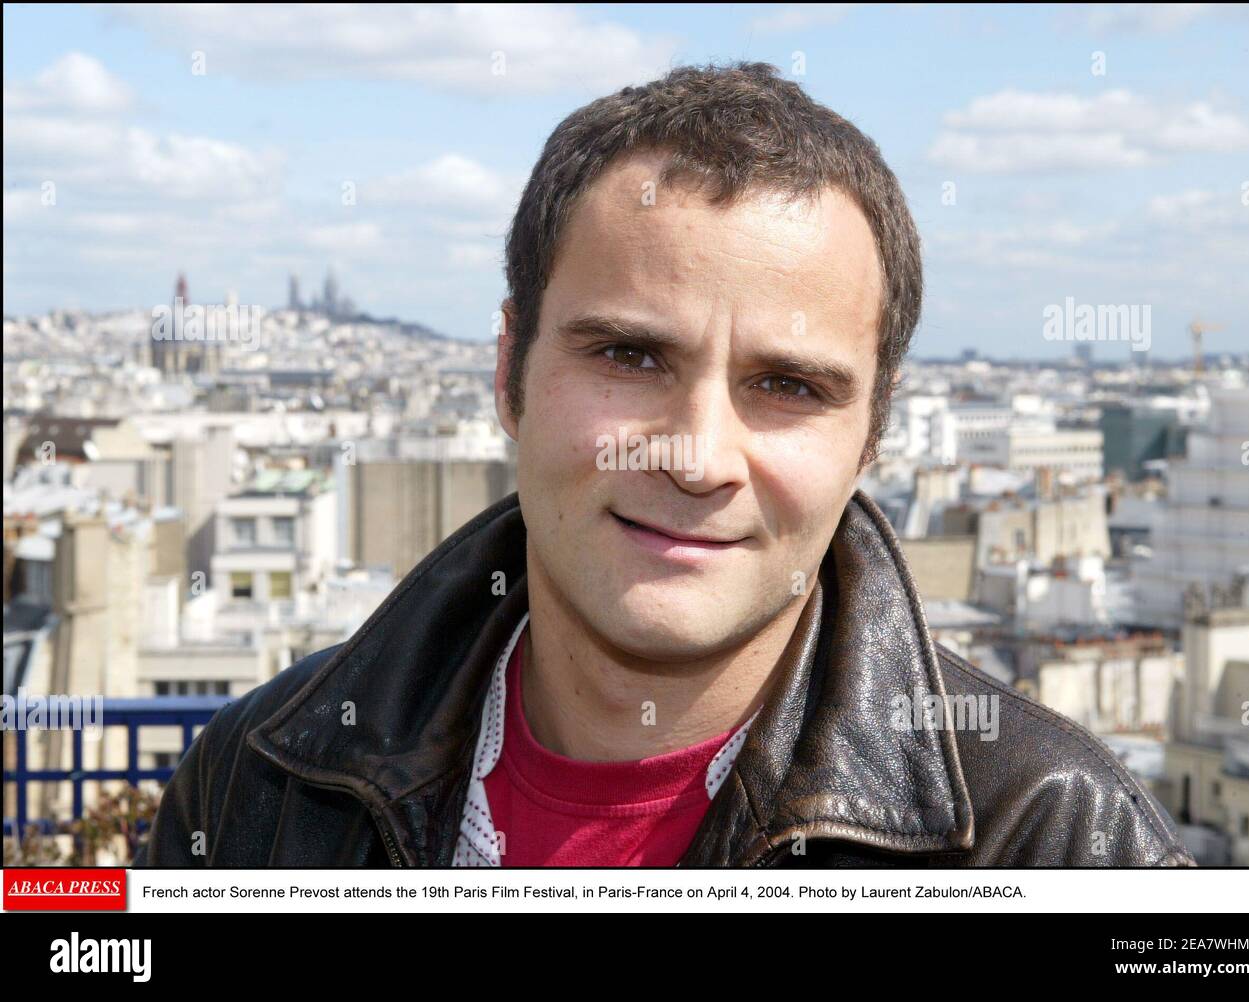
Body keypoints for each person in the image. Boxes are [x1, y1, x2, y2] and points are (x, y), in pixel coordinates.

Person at [137, 62, 1193, 868]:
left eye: (789, 386)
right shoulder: (259, 778)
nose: (696, 457)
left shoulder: (1051, 835)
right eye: (631, 356)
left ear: (872, 435)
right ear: (509, 369)